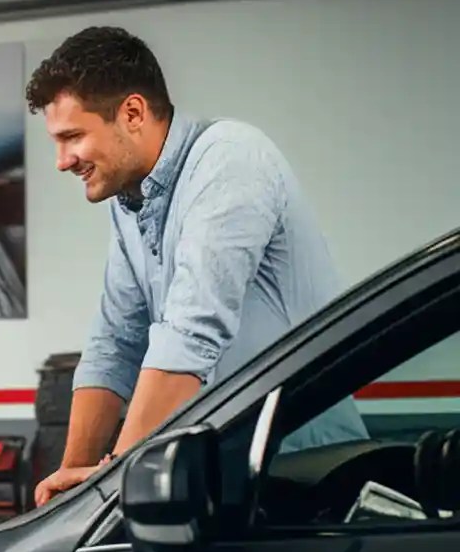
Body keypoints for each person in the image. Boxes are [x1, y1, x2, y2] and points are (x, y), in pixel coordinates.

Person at [24, 27, 368, 507]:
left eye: (73, 137)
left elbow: (191, 333)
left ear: (132, 113)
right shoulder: (129, 201)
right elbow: (115, 343)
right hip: (226, 473)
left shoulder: (229, 160)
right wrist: (67, 489)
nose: (62, 161)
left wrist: (108, 487)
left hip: (306, 476)